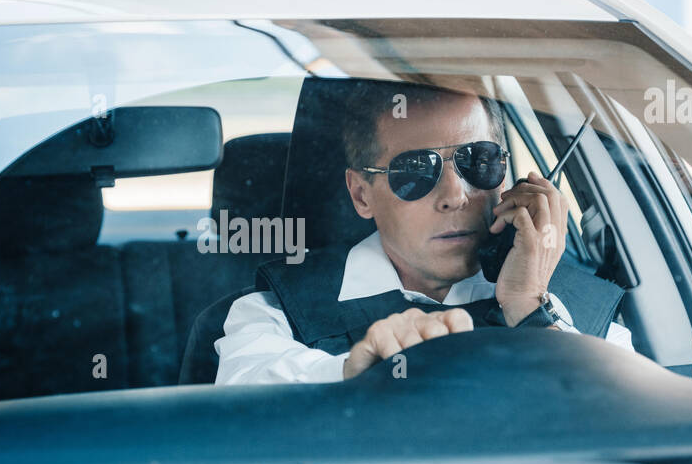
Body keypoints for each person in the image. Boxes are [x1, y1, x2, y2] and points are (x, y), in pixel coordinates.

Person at [214, 84, 634, 385]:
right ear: (362, 195)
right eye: (415, 170)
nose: (456, 195)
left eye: (477, 161)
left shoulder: (584, 315)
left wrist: (530, 310)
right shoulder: (277, 314)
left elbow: (626, 428)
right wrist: (355, 373)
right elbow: (244, 402)